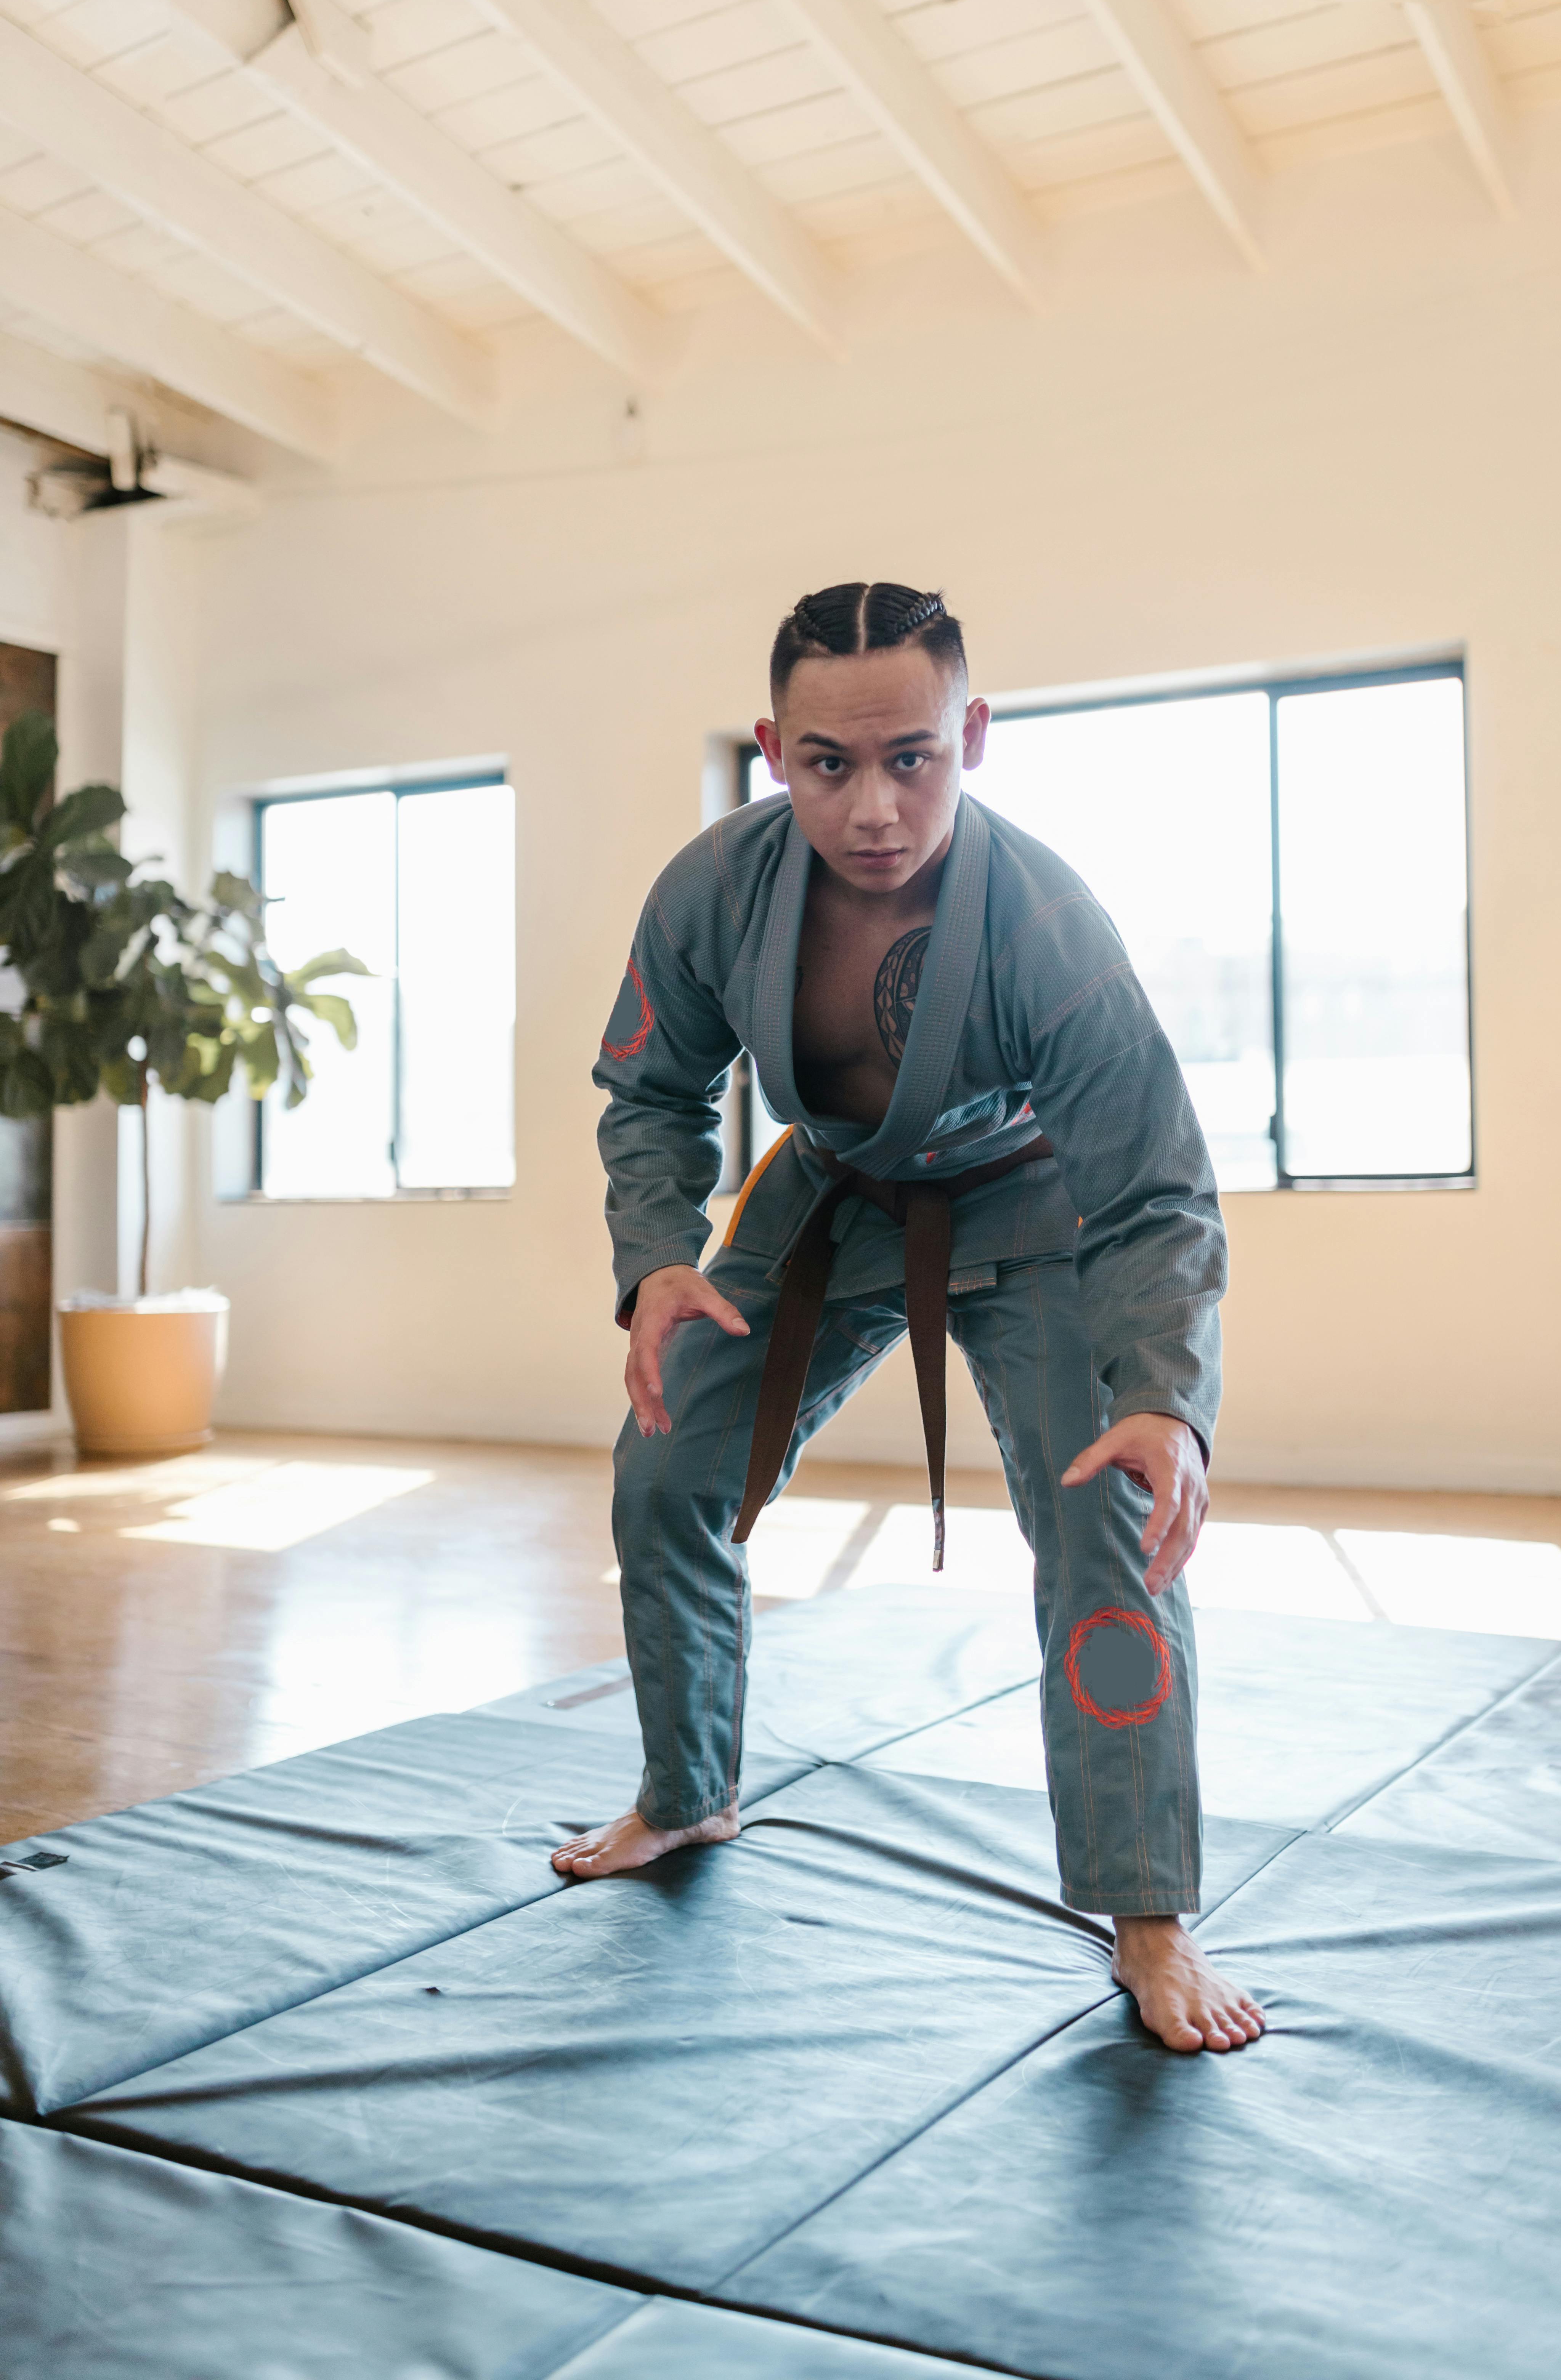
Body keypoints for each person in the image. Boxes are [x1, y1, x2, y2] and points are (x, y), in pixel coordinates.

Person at [555, 582, 1264, 2056]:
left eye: (912, 759)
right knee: (666, 1471)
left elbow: (1154, 1187)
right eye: (829, 764)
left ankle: (1148, 1911)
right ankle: (686, 1793)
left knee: (1111, 1528)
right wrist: (659, 1260)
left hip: (1037, 1208)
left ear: (973, 736)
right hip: (830, 1195)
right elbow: (651, 1088)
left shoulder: (1049, 924)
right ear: (773, 751)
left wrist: (1164, 1400)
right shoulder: (712, 890)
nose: (873, 806)